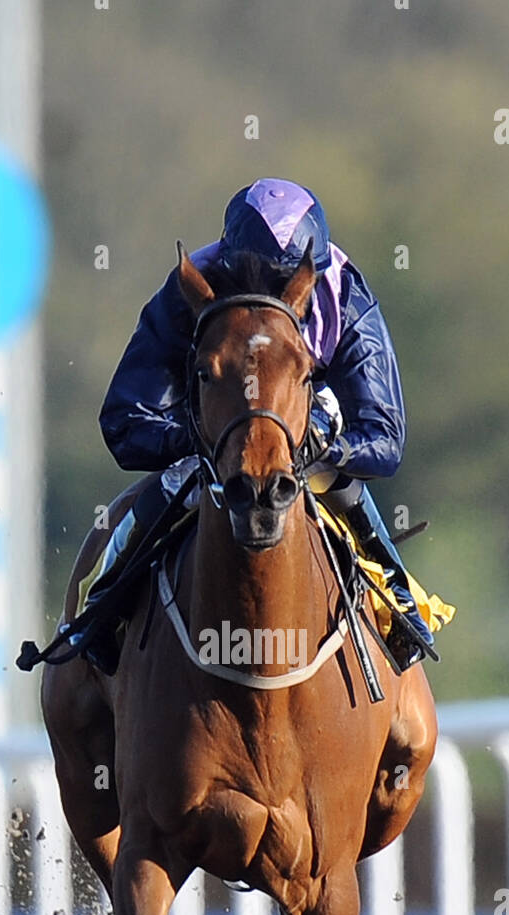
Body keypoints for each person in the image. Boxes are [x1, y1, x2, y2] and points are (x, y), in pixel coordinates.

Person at [77, 177, 435, 671]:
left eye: (287, 290)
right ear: (228, 269)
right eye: (256, 283)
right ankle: (97, 614)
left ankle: (402, 609)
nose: (271, 305)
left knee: (346, 490)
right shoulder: (187, 291)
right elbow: (124, 422)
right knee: (174, 484)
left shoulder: (344, 294)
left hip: (307, 436)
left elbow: (385, 439)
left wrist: (322, 446)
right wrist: (207, 438)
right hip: (210, 438)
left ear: (311, 277)